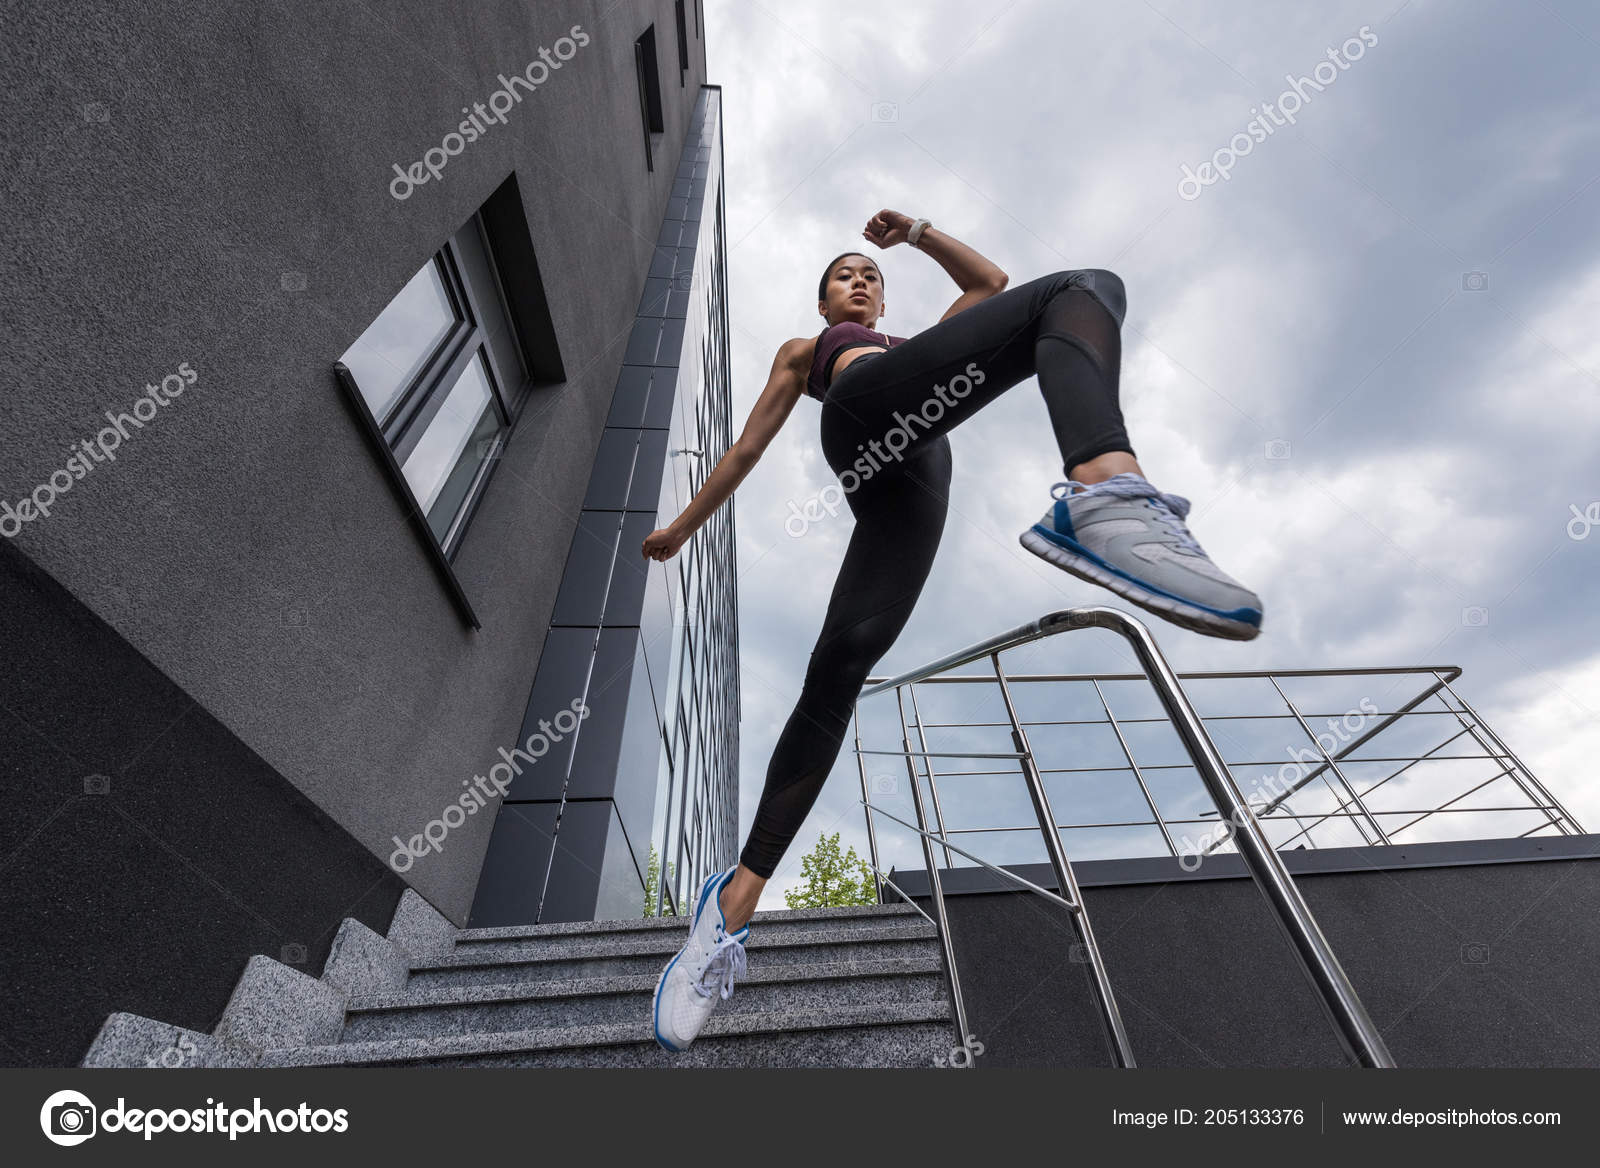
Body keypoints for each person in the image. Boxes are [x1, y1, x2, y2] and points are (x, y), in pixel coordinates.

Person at [642, 209, 1264, 1051]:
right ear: (824, 300)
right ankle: (1106, 494)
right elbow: (747, 449)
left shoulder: (919, 348)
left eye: (870, 274)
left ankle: (728, 907)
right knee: (1081, 289)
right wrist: (683, 528)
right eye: (843, 275)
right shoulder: (809, 351)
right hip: (866, 420)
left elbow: (989, 288)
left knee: (839, 671)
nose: (860, 280)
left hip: (918, 490)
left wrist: (922, 232)